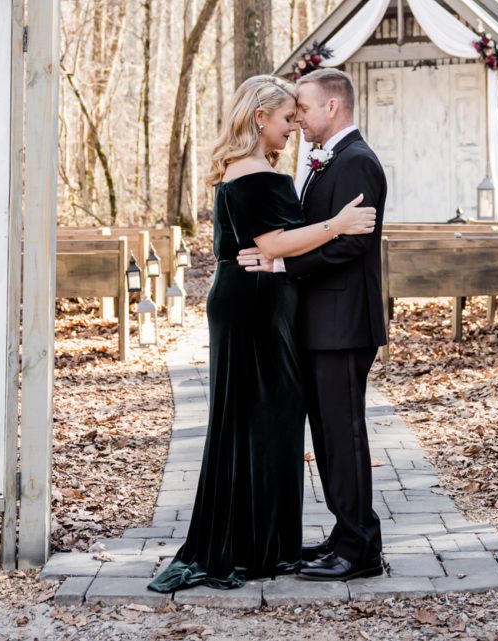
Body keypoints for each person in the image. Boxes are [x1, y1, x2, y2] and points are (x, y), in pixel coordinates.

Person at [148, 74, 376, 593]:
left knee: (252, 423)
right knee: (266, 421)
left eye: (298, 116)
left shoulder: (242, 168)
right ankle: (257, 546)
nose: (293, 126)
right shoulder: (255, 173)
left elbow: (268, 245)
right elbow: (273, 244)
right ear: (259, 118)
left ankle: (261, 540)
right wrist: (337, 224)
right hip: (255, 308)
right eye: (286, 118)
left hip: (247, 302)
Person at [238, 67, 388, 582]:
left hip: (344, 324)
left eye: (303, 106)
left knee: (342, 436)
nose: (297, 116)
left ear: (333, 107)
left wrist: (281, 264)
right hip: (323, 323)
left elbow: (351, 243)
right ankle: (348, 533)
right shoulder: (327, 161)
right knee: (327, 435)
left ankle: (361, 550)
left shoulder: (357, 163)